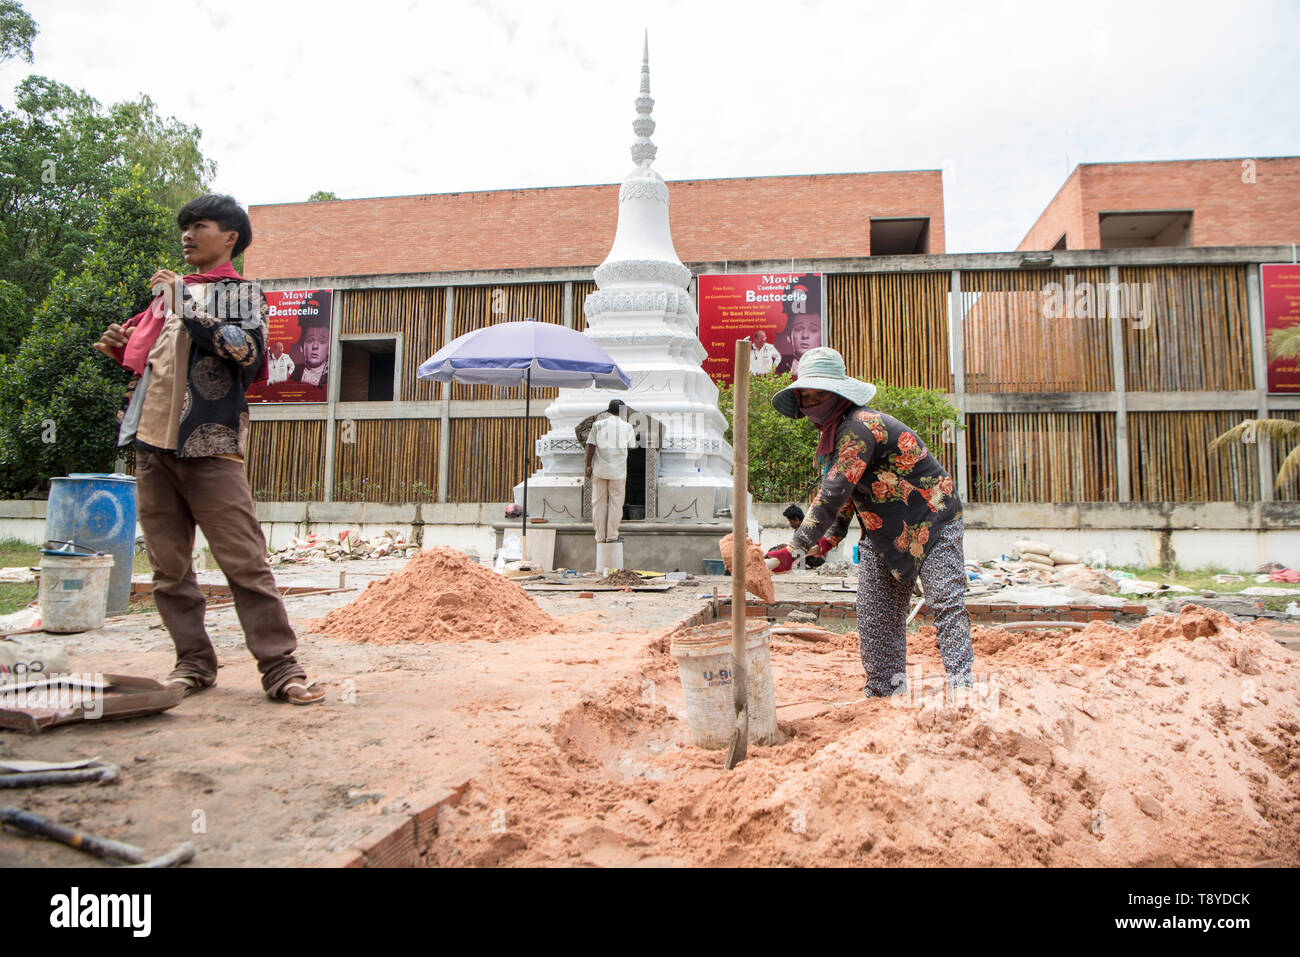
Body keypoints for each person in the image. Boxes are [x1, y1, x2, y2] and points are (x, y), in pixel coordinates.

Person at [94, 193, 323, 705]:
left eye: (199, 225)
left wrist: (186, 304)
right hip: (152, 447)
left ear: (230, 238)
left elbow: (244, 349)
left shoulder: (240, 295)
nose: (187, 234)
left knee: (244, 561)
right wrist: (120, 347)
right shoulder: (166, 300)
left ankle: (281, 669)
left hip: (211, 446)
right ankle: (193, 663)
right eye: (185, 226)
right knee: (168, 568)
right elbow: (157, 367)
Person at [765, 347, 973, 698]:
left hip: (932, 518)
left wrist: (794, 548)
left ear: (837, 395)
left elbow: (832, 494)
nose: (810, 403)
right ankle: (884, 692)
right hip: (885, 530)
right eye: (805, 396)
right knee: (875, 614)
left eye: (818, 395)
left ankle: (963, 690)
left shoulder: (859, 428)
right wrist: (826, 542)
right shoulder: (833, 436)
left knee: (944, 600)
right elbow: (848, 495)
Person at [584, 399, 637, 544]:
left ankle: (599, 536)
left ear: (607, 411)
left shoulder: (598, 425)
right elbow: (631, 446)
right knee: (616, 504)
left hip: (600, 469)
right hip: (618, 472)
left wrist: (588, 465)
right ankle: (612, 535)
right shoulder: (627, 427)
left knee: (598, 503)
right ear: (622, 412)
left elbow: (591, 445)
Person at [289, 303, 329, 395]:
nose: (315, 346)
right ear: (302, 347)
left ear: (328, 349)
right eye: (310, 340)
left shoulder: (330, 376)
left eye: (322, 342)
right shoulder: (292, 373)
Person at [781, 504, 824, 568]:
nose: (790, 524)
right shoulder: (803, 528)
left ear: (796, 519)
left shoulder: (805, 530)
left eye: (790, 521)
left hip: (817, 559)